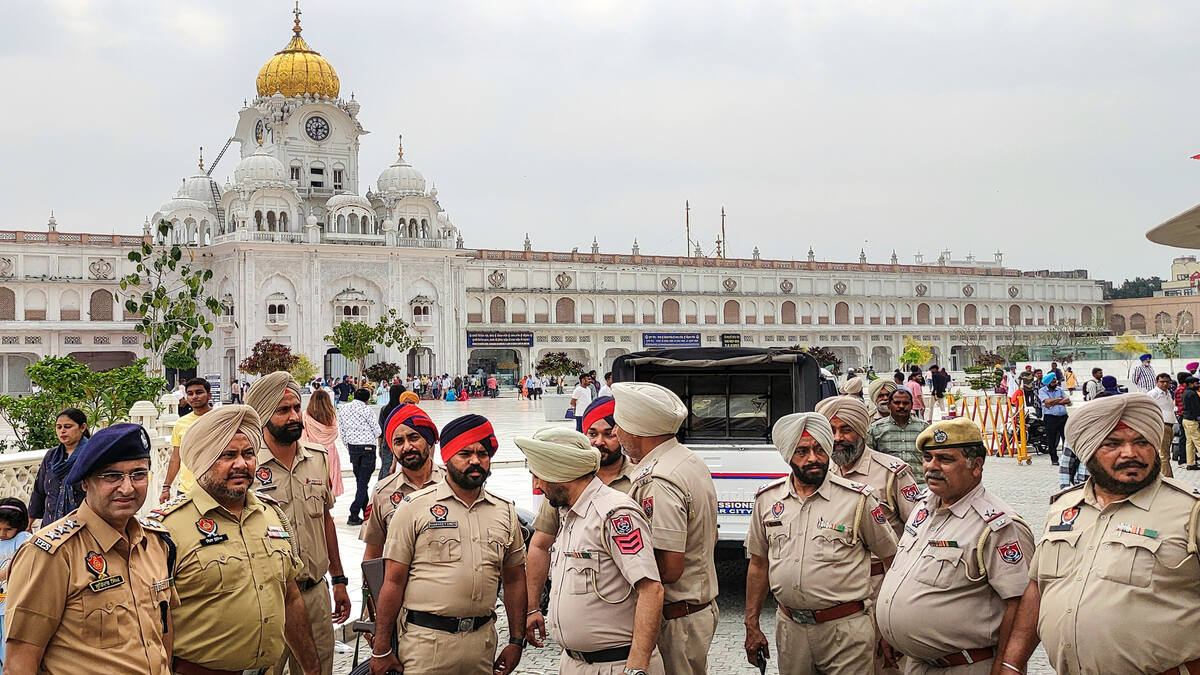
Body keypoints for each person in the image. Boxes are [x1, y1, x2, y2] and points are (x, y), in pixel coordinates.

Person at [1001, 394, 1200, 674]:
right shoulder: (1063, 507)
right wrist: (1012, 663)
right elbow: (1038, 586)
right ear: (1089, 452)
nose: (1131, 453)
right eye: (1113, 444)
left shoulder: (1190, 511)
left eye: (1142, 442)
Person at [152, 404, 321, 675]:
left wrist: (312, 667)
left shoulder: (271, 515)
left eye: (248, 454)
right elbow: (151, 620)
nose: (242, 464)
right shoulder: (166, 529)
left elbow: (289, 596)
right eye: (228, 455)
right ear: (203, 460)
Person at [5, 424, 177, 674]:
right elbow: (20, 663)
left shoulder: (155, 542)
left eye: (138, 474)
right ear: (85, 482)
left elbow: (163, 630)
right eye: (112, 476)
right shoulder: (51, 554)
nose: (127, 488)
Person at [370, 414, 528, 675]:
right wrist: (382, 648)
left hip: (482, 645)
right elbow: (393, 582)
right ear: (447, 457)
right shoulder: (413, 508)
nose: (475, 461)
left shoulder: (505, 512)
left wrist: (516, 640)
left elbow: (514, 580)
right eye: (465, 453)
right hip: (426, 646)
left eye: (482, 453)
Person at [876, 418, 1035, 674]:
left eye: (945, 459)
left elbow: (1021, 604)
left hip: (963, 666)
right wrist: (890, 630)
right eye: (927, 458)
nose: (931, 467)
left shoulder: (997, 525)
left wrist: (1007, 665)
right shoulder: (924, 506)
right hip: (916, 663)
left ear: (977, 466)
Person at [745, 412, 898, 674]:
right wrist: (752, 625)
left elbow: (892, 561)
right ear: (788, 455)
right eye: (802, 451)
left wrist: (888, 626)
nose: (813, 458)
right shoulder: (767, 500)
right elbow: (759, 564)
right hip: (790, 629)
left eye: (819, 449)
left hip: (846, 631)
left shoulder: (858, 500)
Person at [516, 427, 666, 675]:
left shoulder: (614, 513)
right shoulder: (569, 514)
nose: (536, 484)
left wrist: (636, 668)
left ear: (560, 471)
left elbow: (651, 589)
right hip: (575, 664)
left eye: (538, 475)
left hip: (615, 666)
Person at [245, 372, 352, 675]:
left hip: (315, 592)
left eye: (296, 408)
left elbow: (326, 521)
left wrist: (340, 580)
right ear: (263, 415)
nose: (294, 416)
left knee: (317, 670)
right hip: (268, 598)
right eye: (283, 410)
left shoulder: (316, 458)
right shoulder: (247, 467)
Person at [613, 382, 718, 675]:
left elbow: (670, 567)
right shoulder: (686, 460)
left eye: (619, 426)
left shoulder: (658, 480)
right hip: (691, 614)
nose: (616, 433)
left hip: (674, 620)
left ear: (635, 430)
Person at [526, 397, 635, 638]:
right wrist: (532, 606)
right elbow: (540, 545)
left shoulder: (638, 482)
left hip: (623, 620)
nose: (599, 442)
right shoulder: (562, 485)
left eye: (609, 434)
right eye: (592, 433)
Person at [360, 404, 444, 560]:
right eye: (398, 441)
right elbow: (373, 553)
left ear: (428, 441)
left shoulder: (452, 483)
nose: (407, 447)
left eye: (414, 438)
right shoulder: (382, 492)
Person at [28, 408, 90, 527]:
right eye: (59, 427)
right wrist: (29, 521)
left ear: (82, 427)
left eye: (67, 426)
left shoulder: (91, 455)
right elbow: (39, 490)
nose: (62, 431)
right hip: (50, 525)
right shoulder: (51, 456)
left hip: (83, 525)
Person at [162, 377, 214, 502]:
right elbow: (176, 458)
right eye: (190, 394)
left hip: (214, 488)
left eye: (199, 392)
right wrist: (166, 487)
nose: (194, 396)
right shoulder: (181, 423)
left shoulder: (221, 419)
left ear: (209, 395)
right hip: (186, 489)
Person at [337, 387, 383, 526]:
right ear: (367, 399)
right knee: (363, 482)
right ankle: (354, 512)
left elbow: (343, 431)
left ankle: (365, 512)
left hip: (353, 447)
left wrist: (349, 445)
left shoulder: (343, 409)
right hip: (368, 447)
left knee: (361, 482)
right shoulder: (367, 410)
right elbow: (377, 431)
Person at [867, 389, 930, 484]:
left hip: (920, 484)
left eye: (905, 403)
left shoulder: (924, 428)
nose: (901, 406)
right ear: (889, 405)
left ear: (912, 405)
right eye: (897, 403)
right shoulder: (875, 429)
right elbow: (869, 460)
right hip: (889, 485)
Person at [0, 497, 31, 666]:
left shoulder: (23, 539)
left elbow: (24, 562)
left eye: (8, 529)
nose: (2, 534)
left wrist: (5, 573)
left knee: (8, 646)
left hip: (12, 605)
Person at [302, 388, 345, 499]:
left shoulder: (305, 416)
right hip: (330, 452)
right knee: (330, 481)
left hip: (313, 452)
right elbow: (335, 435)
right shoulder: (332, 417)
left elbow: (302, 437)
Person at [1148, 372, 1178, 478]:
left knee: (1166, 454)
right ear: (1157, 382)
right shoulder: (1153, 394)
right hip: (1161, 424)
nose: (1165, 384)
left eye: (1167, 382)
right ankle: (1167, 479)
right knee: (1163, 455)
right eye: (1162, 382)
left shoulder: (1168, 393)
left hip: (1170, 425)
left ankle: (1166, 476)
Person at [1037, 373, 1069, 466]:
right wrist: (1060, 400)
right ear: (1048, 383)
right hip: (1050, 418)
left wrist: (1053, 402)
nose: (1055, 382)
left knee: (1066, 439)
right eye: (1053, 381)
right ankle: (1054, 459)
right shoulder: (1042, 391)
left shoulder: (1059, 389)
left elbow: (1068, 400)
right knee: (1052, 439)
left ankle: (1066, 458)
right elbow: (1046, 401)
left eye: (1055, 381)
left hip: (1063, 417)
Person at [1182, 376, 1200, 470]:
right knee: (1198, 441)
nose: (1198, 385)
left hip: (1185, 420)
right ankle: (1191, 463)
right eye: (1196, 383)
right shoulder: (1193, 394)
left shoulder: (1185, 392)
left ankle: (1191, 463)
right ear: (1191, 384)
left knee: (1190, 443)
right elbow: (1196, 408)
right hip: (1192, 421)